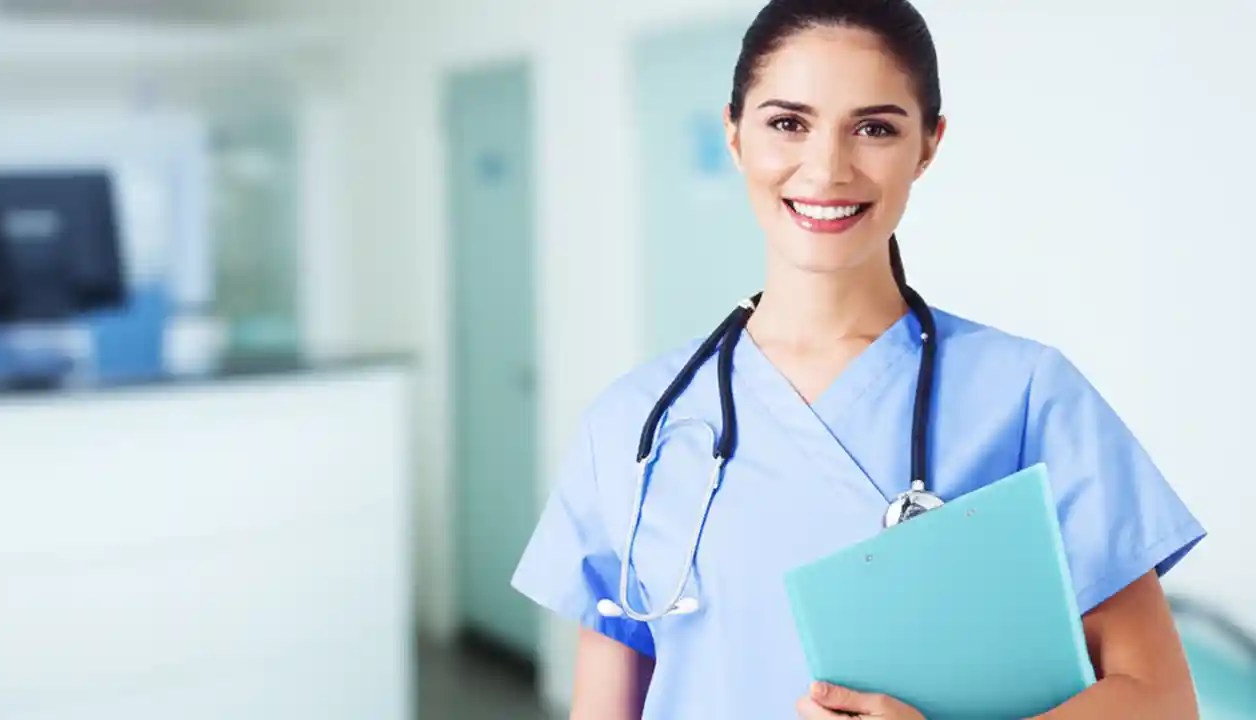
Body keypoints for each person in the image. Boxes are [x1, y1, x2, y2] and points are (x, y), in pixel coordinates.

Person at [510, 0, 1206, 717]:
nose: (827, 168)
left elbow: (1162, 700)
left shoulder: (1025, 398)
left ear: (929, 145)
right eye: (788, 123)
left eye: (874, 128)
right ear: (735, 133)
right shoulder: (636, 426)